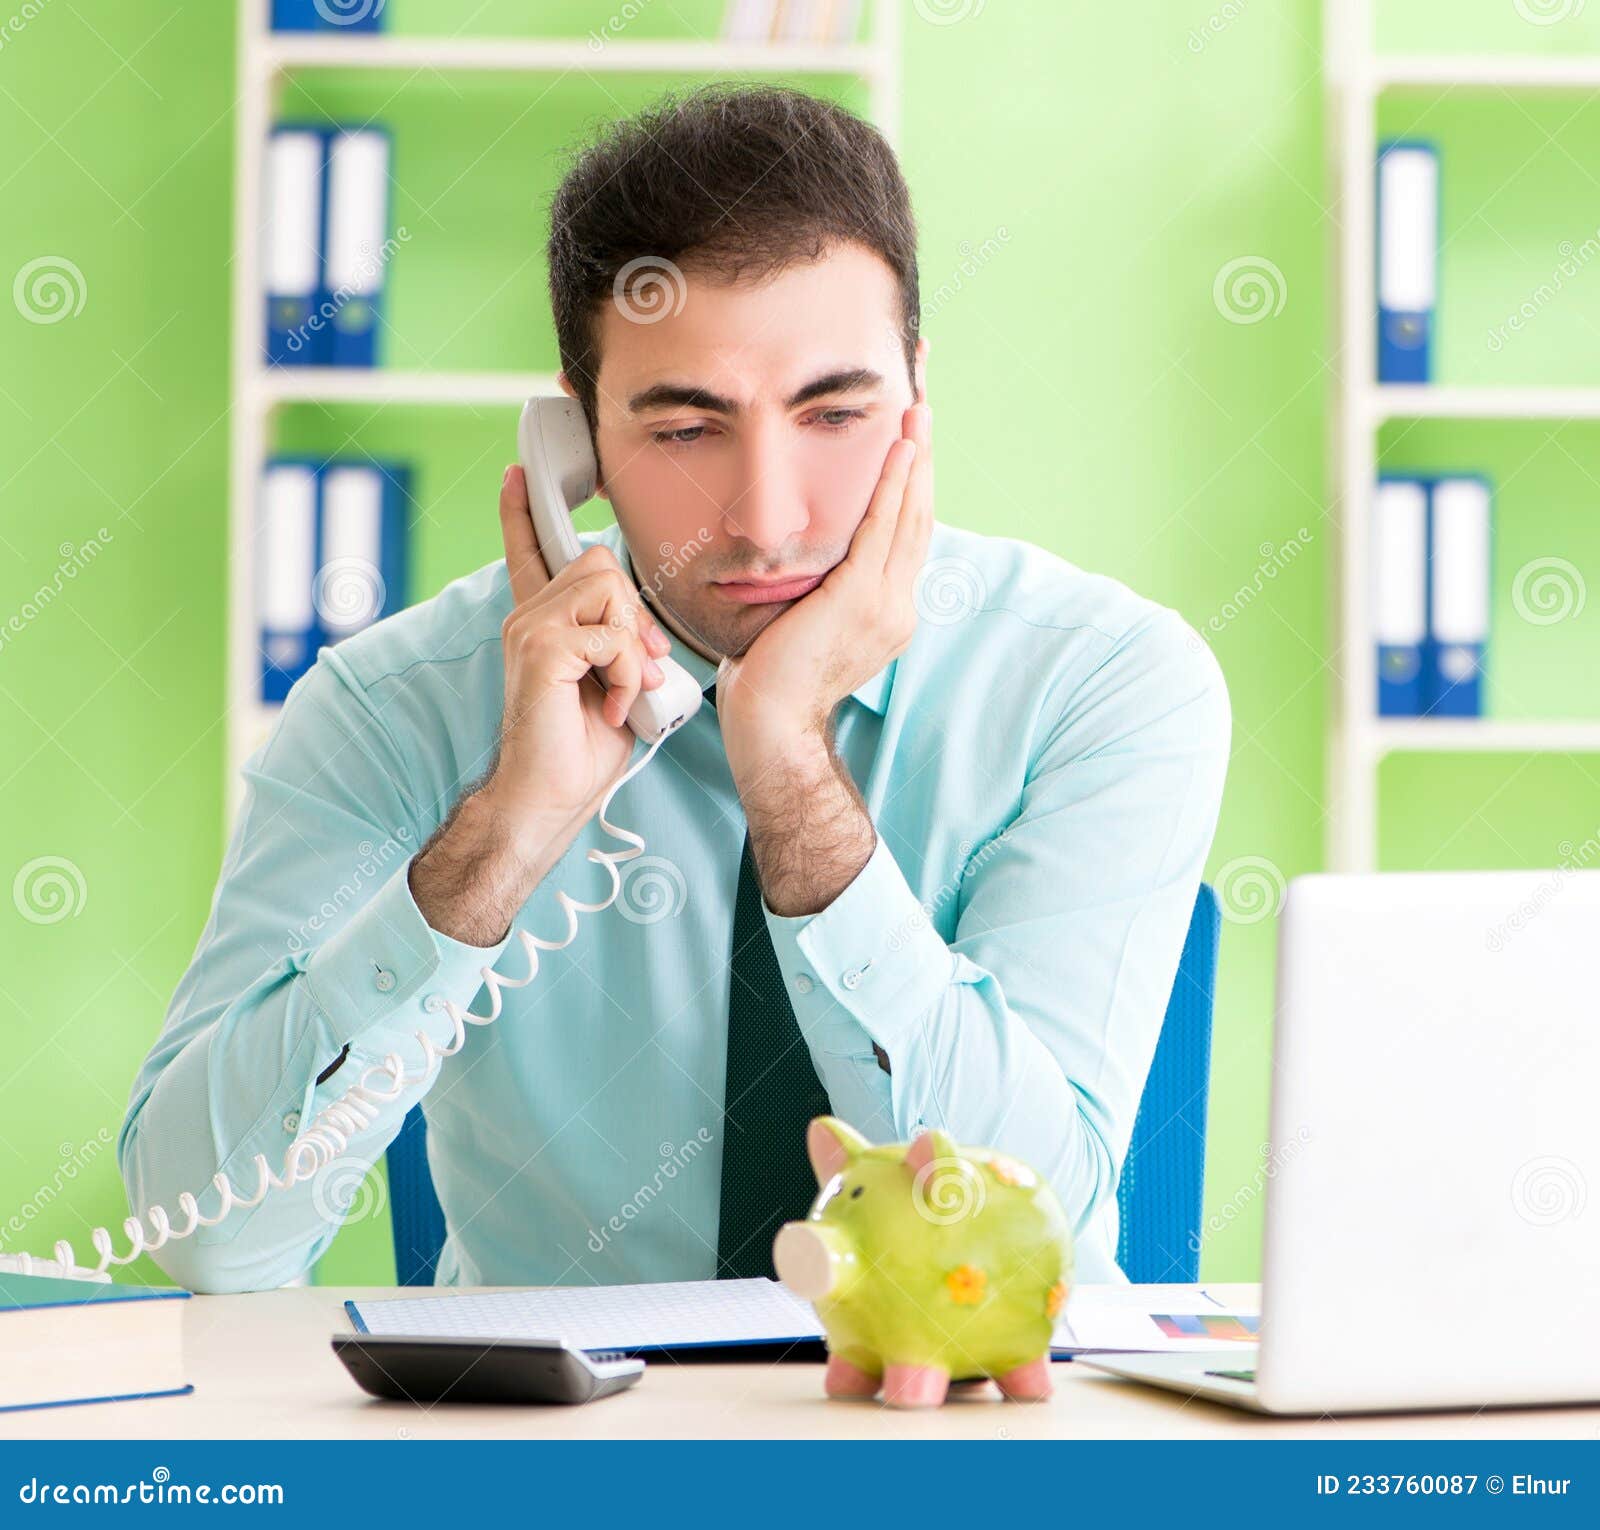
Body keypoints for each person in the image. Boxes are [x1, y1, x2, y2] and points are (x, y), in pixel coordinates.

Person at [120, 83, 1230, 1294]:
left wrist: (789, 766)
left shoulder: (1104, 683)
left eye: (835, 412)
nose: (767, 519)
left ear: (915, 394)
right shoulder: (394, 708)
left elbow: (1034, 1250)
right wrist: (504, 833)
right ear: (575, 445)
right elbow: (209, 1238)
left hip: (973, 1437)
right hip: (560, 1456)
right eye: (686, 431)